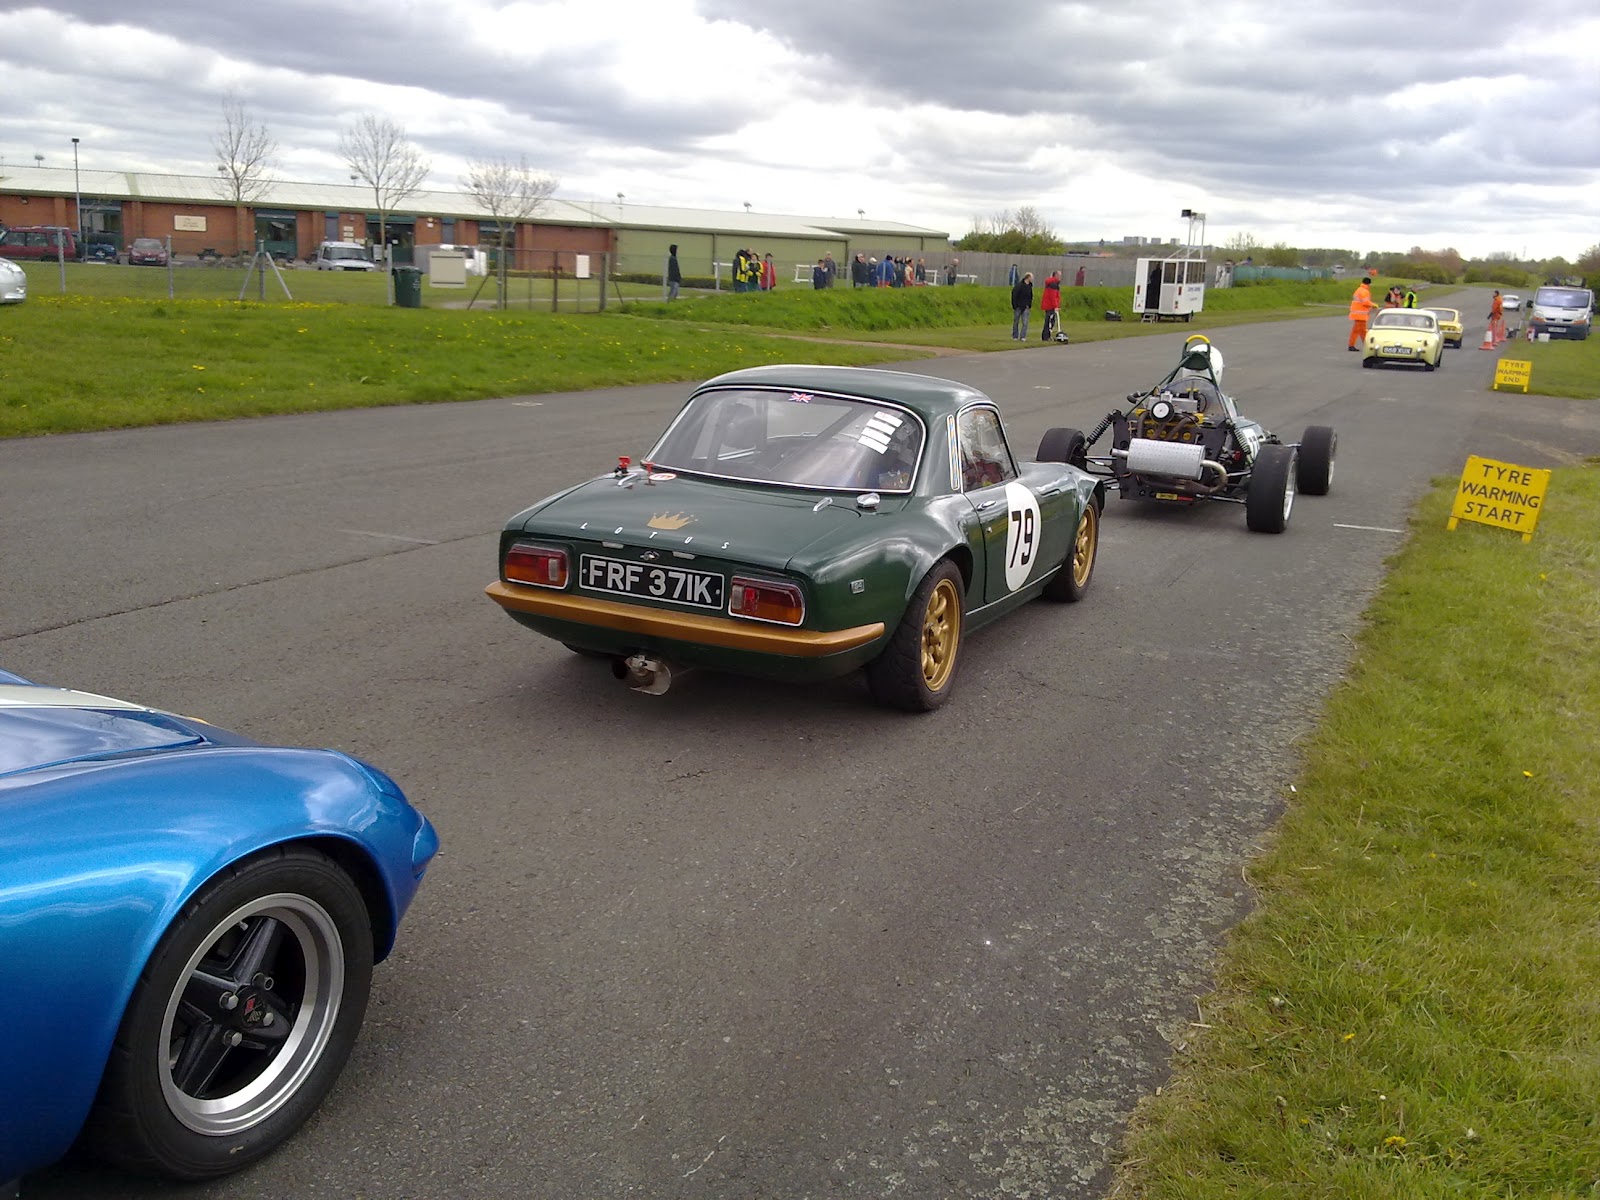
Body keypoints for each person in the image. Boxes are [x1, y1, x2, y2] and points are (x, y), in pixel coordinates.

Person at [1347, 275, 1375, 351]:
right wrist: (1374, 305)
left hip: (1357, 313)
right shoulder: (1364, 291)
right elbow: (1365, 302)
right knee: (1358, 331)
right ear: (1369, 284)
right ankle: (1352, 345)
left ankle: (1366, 345)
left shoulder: (1359, 290)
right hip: (1360, 314)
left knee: (1361, 331)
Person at [1011, 271, 1034, 340]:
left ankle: (1023, 336)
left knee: (1025, 322)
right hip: (1018, 306)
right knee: (1016, 322)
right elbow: (1014, 295)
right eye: (1031, 277)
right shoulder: (1019, 286)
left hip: (1026, 307)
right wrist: (1015, 305)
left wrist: (1029, 304)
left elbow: (1030, 296)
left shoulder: (1029, 286)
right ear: (1028, 277)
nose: (1032, 279)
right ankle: (1015, 336)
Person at [1040, 269, 1062, 341]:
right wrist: (1055, 306)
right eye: (1059, 276)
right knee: (1049, 321)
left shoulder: (1053, 284)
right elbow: (1053, 297)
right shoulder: (1053, 284)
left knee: (1050, 321)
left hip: (1050, 305)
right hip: (1050, 306)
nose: (1060, 277)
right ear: (1056, 276)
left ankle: (1047, 336)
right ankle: (1046, 336)